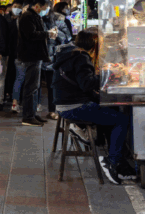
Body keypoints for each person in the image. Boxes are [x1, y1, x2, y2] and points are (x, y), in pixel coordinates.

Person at [53, 28, 134, 184]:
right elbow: (87, 84)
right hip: (74, 107)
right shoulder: (81, 57)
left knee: (112, 110)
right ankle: (113, 161)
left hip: (65, 104)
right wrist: (108, 74)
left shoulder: (70, 52)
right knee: (121, 120)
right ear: (94, 43)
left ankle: (114, 155)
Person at [17, 0, 58, 126]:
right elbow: (31, 35)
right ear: (38, 6)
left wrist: (48, 33)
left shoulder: (35, 16)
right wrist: (48, 34)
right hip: (31, 55)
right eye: (45, 8)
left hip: (36, 55)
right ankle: (28, 117)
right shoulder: (27, 16)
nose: (46, 11)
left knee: (35, 87)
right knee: (30, 87)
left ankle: (32, 114)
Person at [42, 1, 71, 120]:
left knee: (55, 85)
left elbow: (67, 38)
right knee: (48, 86)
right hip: (44, 57)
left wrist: (57, 34)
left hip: (57, 57)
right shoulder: (40, 21)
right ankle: (51, 110)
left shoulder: (61, 21)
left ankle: (55, 110)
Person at [6, 0, 24, 113]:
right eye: (15, 6)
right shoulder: (9, 20)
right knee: (18, 77)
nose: (16, 8)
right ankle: (15, 100)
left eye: (18, 6)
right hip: (14, 53)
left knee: (19, 78)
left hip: (19, 53)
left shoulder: (21, 20)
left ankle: (16, 101)